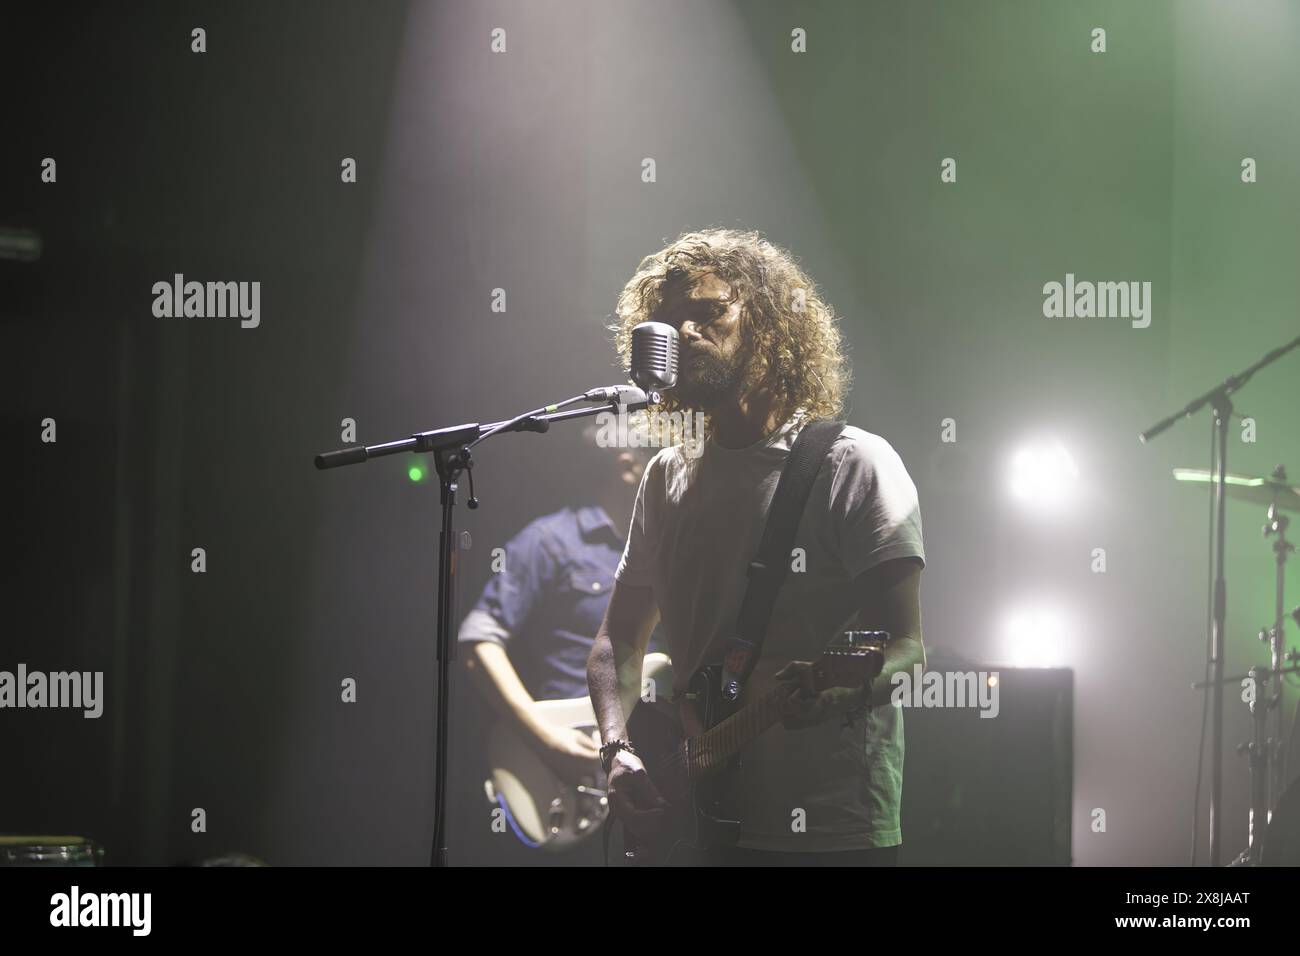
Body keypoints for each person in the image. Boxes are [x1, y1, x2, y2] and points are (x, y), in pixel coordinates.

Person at [588, 227, 926, 865]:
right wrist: (617, 750)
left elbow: (906, 649)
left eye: (709, 313)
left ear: (770, 326)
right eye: (669, 322)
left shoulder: (853, 463)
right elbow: (617, 644)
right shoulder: (665, 475)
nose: (684, 333)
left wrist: (839, 691)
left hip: (828, 826)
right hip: (698, 828)